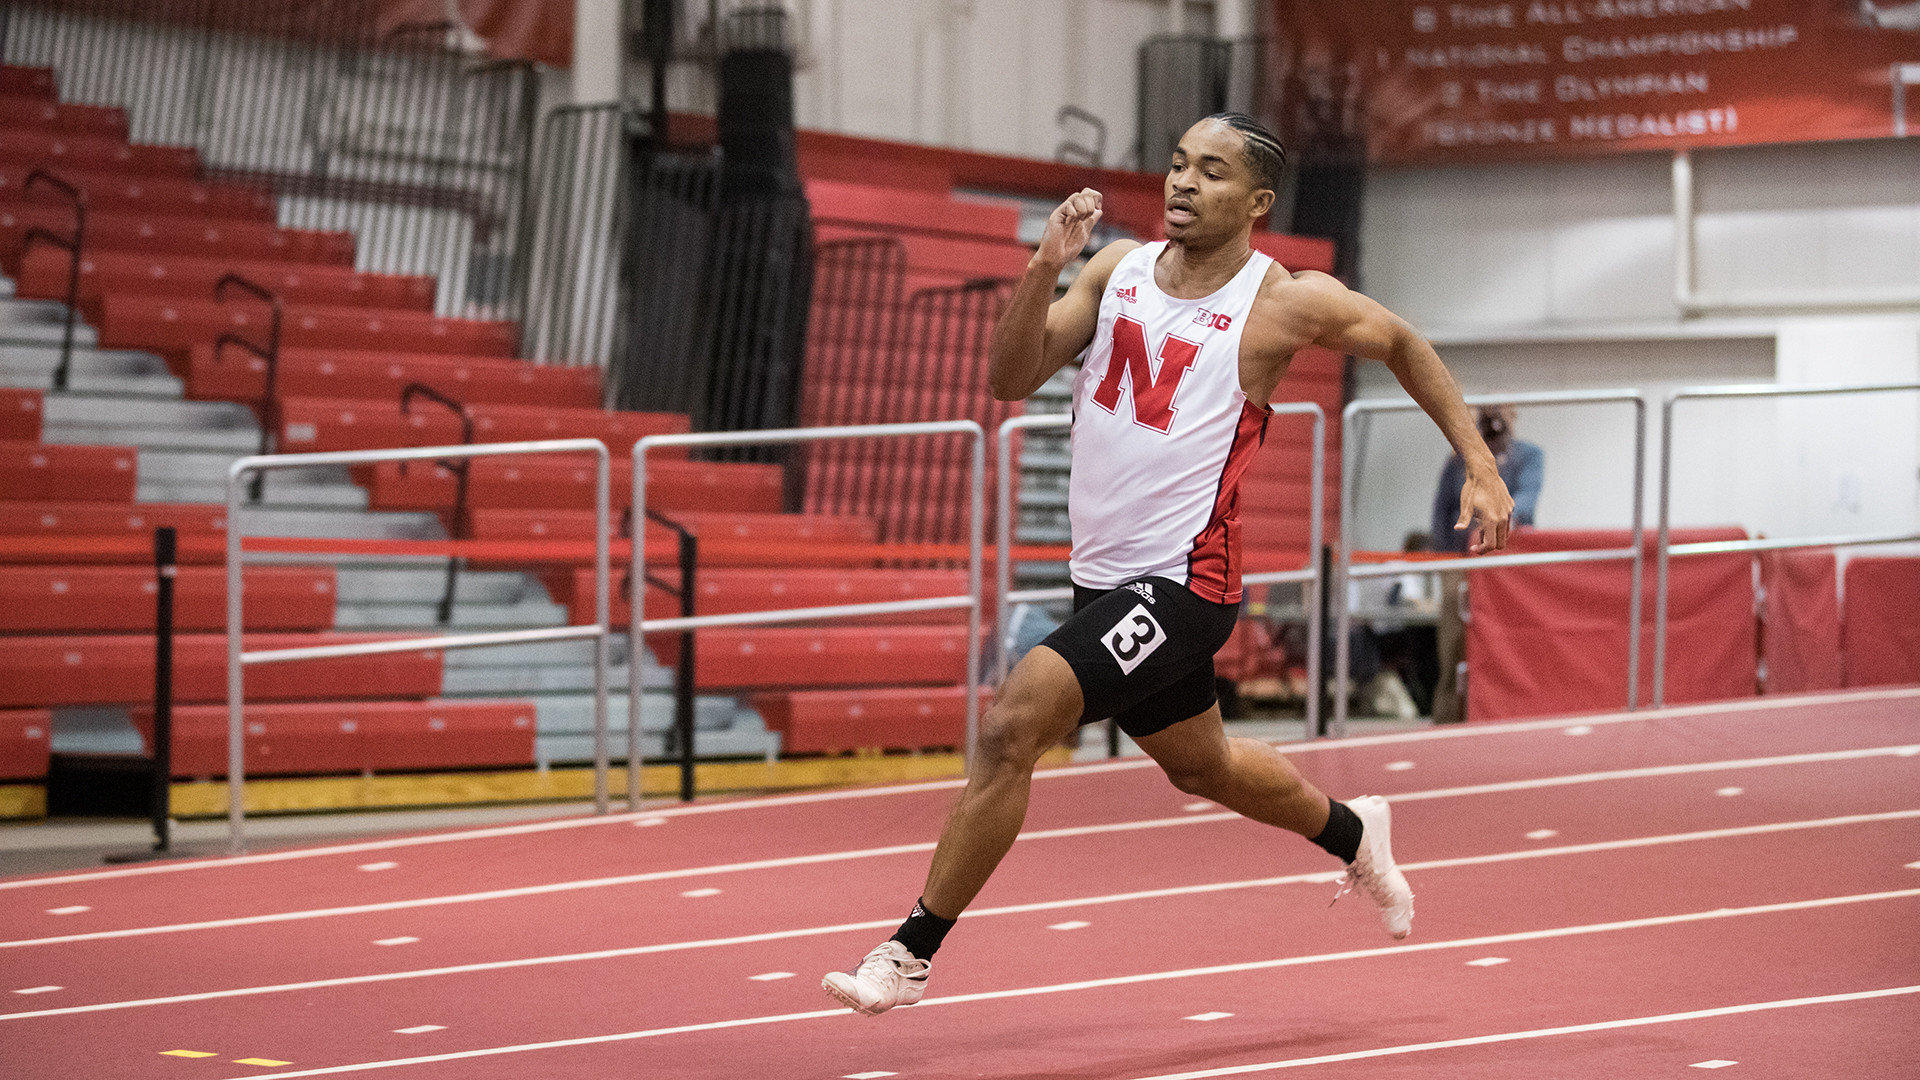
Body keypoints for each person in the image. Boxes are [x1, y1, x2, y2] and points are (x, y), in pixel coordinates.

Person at [822, 113, 1514, 1016]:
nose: (1184, 183)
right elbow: (1008, 376)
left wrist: (1480, 461)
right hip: (1103, 577)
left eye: (1212, 172)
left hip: (1187, 582)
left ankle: (909, 953)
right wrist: (1046, 266)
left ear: (1257, 201)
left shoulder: (1285, 300)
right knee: (1205, 766)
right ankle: (1357, 834)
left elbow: (1403, 344)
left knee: (1010, 728)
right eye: (1179, 164)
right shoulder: (1115, 270)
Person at [1427, 405, 1542, 723]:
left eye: (1502, 416)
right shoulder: (1459, 460)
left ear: (1514, 417)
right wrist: (1445, 558)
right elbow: (1441, 510)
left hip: (1505, 566)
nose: (1494, 425)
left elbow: (1526, 500)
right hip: (1460, 561)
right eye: (1488, 418)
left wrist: (1501, 523)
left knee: (1506, 642)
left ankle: (1506, 713)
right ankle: (1446, 718)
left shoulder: (1529, 456)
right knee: (1452, 643)